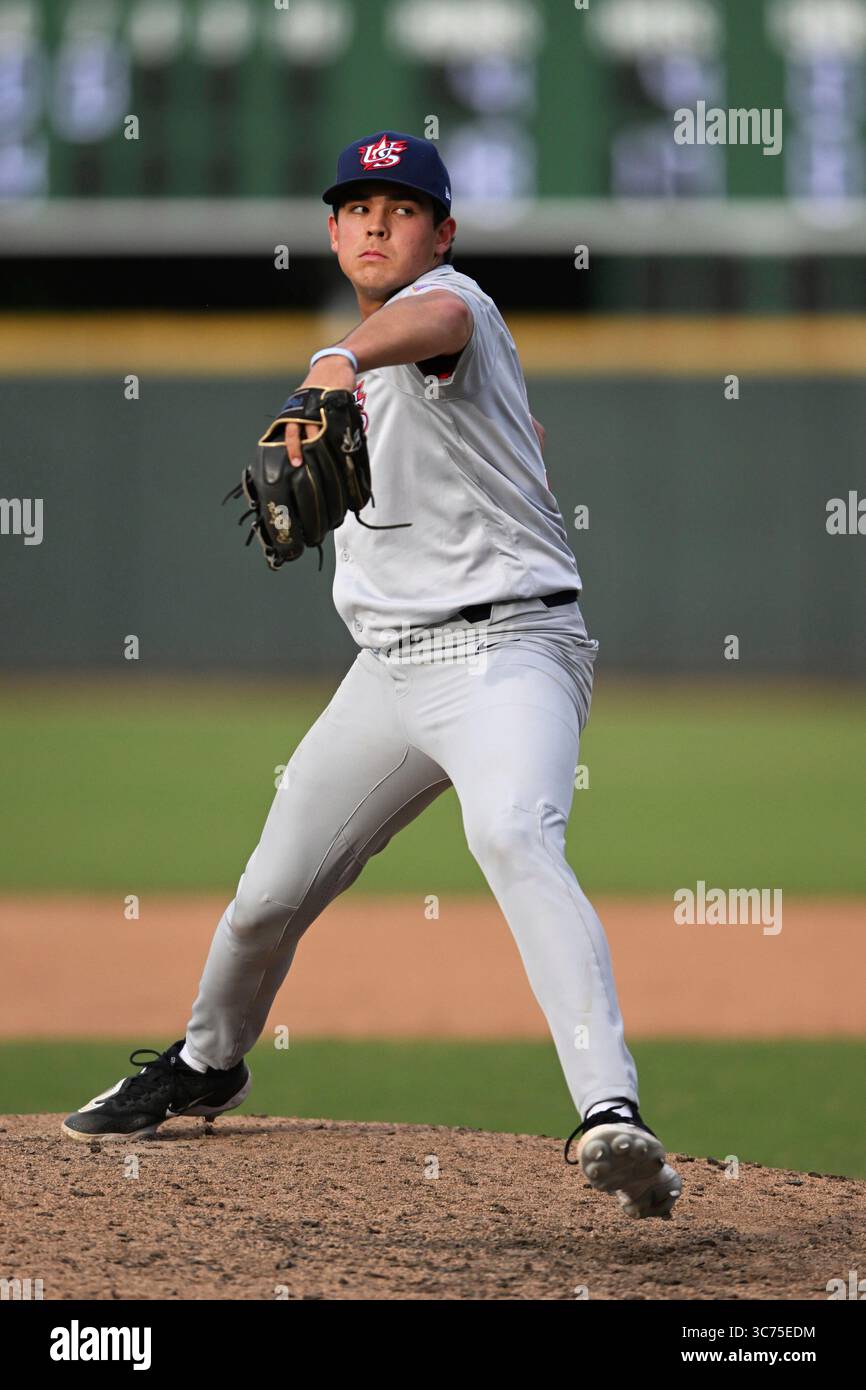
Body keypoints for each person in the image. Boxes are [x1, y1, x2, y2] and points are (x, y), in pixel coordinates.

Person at [62, 131, 682, 1222]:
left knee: (512, 836)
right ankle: (208, 1062)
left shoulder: (447, 310)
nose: (374, 223)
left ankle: (607, 1112)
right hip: (389, 671)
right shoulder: (359, 348)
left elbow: (432, 326)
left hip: (509, 654)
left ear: (441, 233)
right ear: (333, 228)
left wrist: (339, 361)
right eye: (354, 206)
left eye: (400, 208)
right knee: (265, 896)